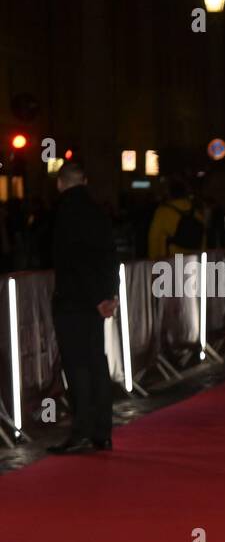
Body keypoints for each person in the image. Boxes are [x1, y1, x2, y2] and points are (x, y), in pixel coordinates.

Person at [46, 162, 118, 454]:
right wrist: (108, 294)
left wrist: (95, 297)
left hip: (75, 300)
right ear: (85, 181)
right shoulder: (99, 211)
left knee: (76, 366)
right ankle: (103, 431)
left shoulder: (64, 213)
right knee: (97, 362)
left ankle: (82, 431)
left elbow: (74, 260)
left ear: (61, 184)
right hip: (96, 300)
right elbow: (110, 254)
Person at [147, 176, 206, 260]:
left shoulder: (163, 212)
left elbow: (154, 237)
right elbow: (202, 237)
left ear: (169, 193)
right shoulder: (195, 212)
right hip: (192, 260)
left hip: (169, 260)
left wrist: (153, 259)